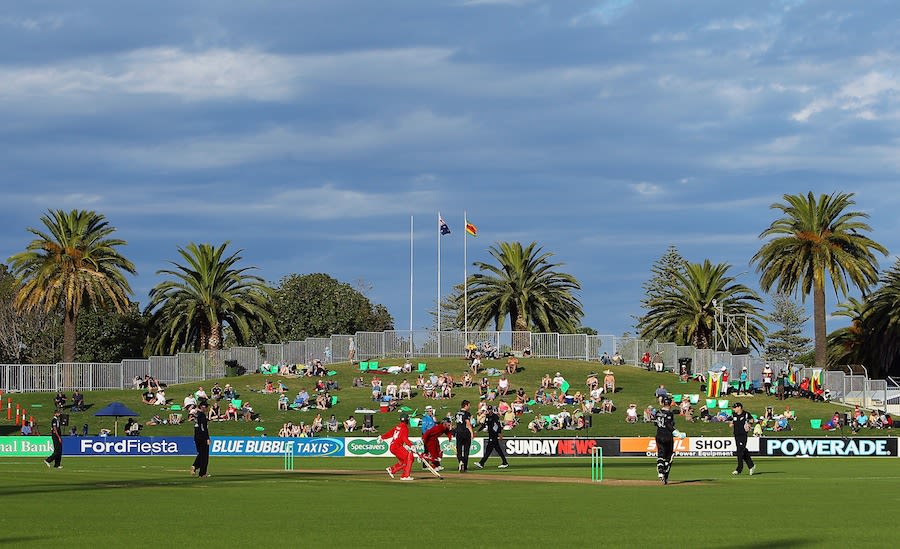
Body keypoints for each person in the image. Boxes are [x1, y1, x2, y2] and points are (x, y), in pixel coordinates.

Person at [380, 414, 415, 481]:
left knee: (403, 461)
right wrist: (411, 445)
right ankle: (405, 476)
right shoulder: (404, 428)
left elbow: (391, 433)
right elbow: (404, 438)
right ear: (407, 420)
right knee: (409, 458)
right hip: (397, 446)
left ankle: (392, 469)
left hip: (393, 446)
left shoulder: (398, 426)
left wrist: (382, 437)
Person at [729, 402, 755, 476]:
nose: (734, 409)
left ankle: (739, 469)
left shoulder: (746, 414)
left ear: (739, 407)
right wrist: (731, 424)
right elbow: (731, 421)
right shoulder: (733, 414)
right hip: (736, 434)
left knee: (740, 451)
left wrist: (749, 424)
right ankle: (751, 466)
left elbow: (752, 420)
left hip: (743, 434)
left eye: (735, 407)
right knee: (743, 450)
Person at [655, 396, 676, 484]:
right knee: (669, 456)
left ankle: (660, 471)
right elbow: (668, 424)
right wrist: (675, 431)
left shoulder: (657, 412)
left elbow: (655, 423)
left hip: (659, 435)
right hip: (667, 436)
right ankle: (665, 473)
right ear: (670, 403)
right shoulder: (669, 413)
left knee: (660, 454)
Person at [454, 400, 475, 472]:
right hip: (465, 432)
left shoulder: (457, 413)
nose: (469, 407)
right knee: (466, 450)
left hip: (458, 433)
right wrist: (472, 433)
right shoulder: (467, 413)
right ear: (466, 405)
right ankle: (464, 466)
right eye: (469, 405)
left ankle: (460, 461)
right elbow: (468, 423)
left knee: (459, 450)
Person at [191, 401, 211, 478]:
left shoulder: (196, 414)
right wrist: (207, 438)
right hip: (202, 437)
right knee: (205, 456)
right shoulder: (202, 415)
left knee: (201, 454)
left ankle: (195, 466)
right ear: (202, 407)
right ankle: (202, 473)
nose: (207, 409)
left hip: (196, 437)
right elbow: (203, 428)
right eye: (206, 407)